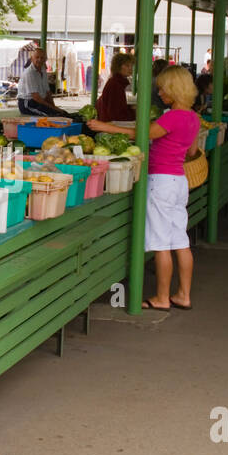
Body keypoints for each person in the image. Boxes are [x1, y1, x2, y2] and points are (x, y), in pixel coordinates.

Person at [89, 65, 201, 311]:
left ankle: (162, 298)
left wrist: (105, 127)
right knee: (180, 241)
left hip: (160, 182)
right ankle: (183, 294)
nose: (159, 93)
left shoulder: (171, 116)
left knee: (160, 243)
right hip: (179, 182)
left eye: (162, 89)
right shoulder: (193, 117)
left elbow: (140, 135)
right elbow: (192, 152)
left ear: (173, 89)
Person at [17, 45, 72, 117]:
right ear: (32, 59)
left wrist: (54, 107)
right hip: (27, 103)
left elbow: (48, 92)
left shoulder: (43, 69)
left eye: (42, 58)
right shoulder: (29, 73)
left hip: (39, 102)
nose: (39, 60)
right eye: (37, 57)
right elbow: (35, 97)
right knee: (53, 116)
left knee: (61, 113)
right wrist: (54, 108)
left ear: (45, 59)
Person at [96, 51, 135, 121]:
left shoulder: (117, 82)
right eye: (127, 65)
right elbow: (115, 113)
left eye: (131, 65)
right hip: (111, 125)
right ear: (118, 66)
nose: (131, 68)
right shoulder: (116, 84)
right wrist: (134, 114)